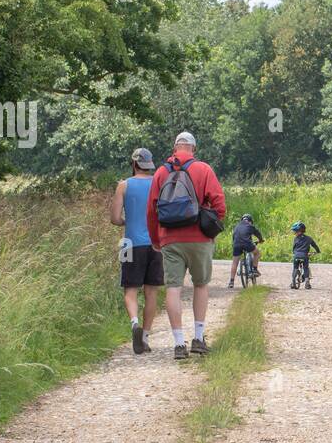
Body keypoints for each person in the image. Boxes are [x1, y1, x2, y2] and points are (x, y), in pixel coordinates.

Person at [145, 131, 227, 361]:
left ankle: (179, 343)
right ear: (193, 148)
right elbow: (220, 203)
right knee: (201, 285)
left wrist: (156, 239)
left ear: (174, 148)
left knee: (174, 288)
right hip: (200, 237)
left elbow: (152, 210)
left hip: (170, 238)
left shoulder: (161, 172)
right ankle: (199, 339)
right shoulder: (203, 169)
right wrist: (212, 227)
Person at [110, 148, 163, 354]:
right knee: (151, 292)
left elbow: (114, 218)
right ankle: (145, 337)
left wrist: (126, 220)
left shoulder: (124, 185)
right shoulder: (158, 184)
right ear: (150, 165)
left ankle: (134, 323)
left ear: (133, 164)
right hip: (156, 243)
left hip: (129, 242)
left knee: (130, 289)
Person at [227, 214, 264, 287]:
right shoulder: (250, 225)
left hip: (236, 244)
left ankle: (231, 281)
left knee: (235, 262)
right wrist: (260, 240)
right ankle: (254, 270)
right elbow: (257, 233)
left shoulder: (236, 226)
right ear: (250, 221)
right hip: (246, 243)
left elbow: (234, 237)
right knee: (257, 253)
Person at [290, 221, 320, 289]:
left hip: (296, 256)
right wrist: (318, 251)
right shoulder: (309, 238)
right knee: (305, 268)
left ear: (299, 231)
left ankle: (293, 282)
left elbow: (294, 248)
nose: (294, 233)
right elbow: (315, 246)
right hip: (304, 256)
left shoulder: (295, 239)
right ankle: (307, 283)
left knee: (295, 268)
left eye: (295, 231)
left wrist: (295, 253)